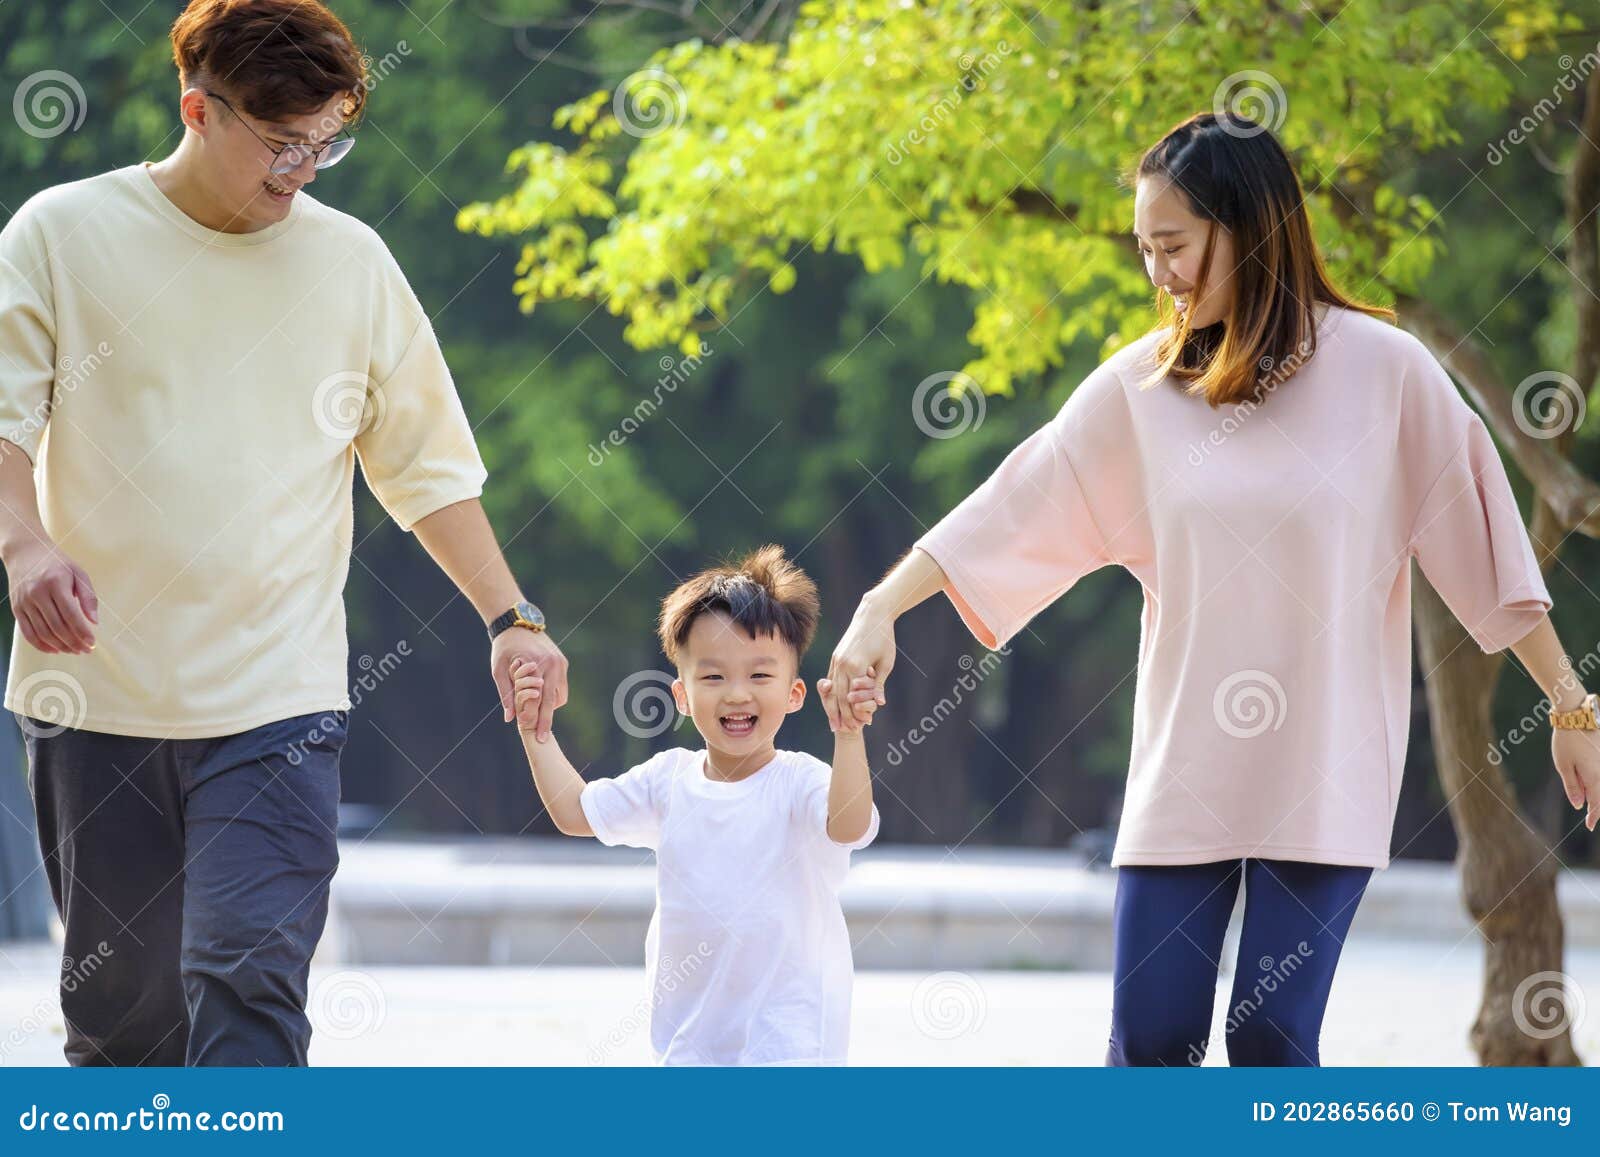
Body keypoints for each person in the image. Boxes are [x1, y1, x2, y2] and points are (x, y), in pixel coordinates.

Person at [822, 110, 1600, 1066]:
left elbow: (1488, 551)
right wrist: (877, 609)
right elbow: (1012, 501)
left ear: (1254, 227)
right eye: (1146, 249)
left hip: (1326, 766)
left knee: (1270, 1036)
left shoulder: (1389, 372)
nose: (1160, 274)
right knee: (1151, 1040)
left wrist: (1572, 707)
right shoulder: (1142, 388)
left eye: (1177, 245)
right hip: (1183, 770)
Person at [0, 0, 567, 1065]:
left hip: (278, 700)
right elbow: (3, 422)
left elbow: (426, 468)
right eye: (279, 143)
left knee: (247, 973)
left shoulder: (351, 263)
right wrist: (25, 543)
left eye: (324, 143)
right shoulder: (60, 234)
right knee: (124, 1027)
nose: (300, 169)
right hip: (95, 697)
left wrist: (513, 614)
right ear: (199, 111)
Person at [516, 544, 880, 1064]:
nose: (736, 694)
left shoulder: (800, 782)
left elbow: (848, 826)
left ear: (795, 693)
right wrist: (537, 732)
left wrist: (849, 737)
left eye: (759, 676)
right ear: (682, 696)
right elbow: (576, 812)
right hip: (691, 1042)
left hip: (790, 1038)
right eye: (713, 677)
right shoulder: (669, 781)